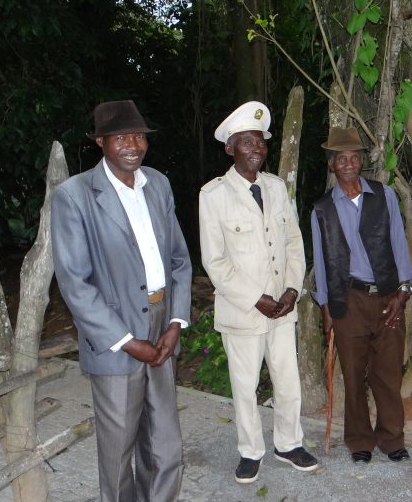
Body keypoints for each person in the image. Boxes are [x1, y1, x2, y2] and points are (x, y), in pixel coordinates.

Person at [51, 100, 191, 501]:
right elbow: (75, 284)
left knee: (165, 443)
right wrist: (129, 342)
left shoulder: (158, 184)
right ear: (101, 142)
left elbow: (180, 260)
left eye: (139, 135)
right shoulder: (74, 196)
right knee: (118, 452)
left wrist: (177, 322)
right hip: (116, 331)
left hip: (163, 322)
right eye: (121, 136)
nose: (133, 143)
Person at [198, 101, 319, 484]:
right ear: (230, 147)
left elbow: (294, 242)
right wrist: (257, 298)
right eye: (247, 141)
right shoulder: (213, 195)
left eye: (261, 142)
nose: (257, 148)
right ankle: (250, 450)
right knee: (245, 387)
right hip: (243, 311)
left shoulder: (276, 187)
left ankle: (288, 443)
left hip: (282, 309)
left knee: (288, 381)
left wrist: (291, 289)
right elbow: (214, 261)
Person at [310, 127, 412, 465]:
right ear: (332, 166)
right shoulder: (322, 209)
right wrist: (325, 305)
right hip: (348, 300)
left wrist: (403, 289)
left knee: (387, 372)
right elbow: (322, 260)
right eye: (341, 159)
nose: (349, 164)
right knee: (354, 375)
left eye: (355, 158)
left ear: (361, 162)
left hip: (387, 296)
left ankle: (392, 438)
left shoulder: (383, 196)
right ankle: (359, 441)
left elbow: (399, 241)